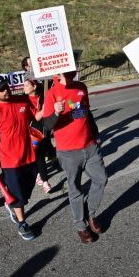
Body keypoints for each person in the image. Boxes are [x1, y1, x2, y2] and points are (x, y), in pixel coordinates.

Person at [42, 69, 107, 244]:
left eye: (73, 71)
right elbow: (46, 127)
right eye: (67, 73)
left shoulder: (81, 87)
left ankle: (90, 214)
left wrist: (95, 133)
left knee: (101, 179)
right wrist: (55, 112)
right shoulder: (51, 94)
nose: (72, 74)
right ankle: (80, 226)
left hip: (90, 146)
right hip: (68, 152)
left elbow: (87, 112)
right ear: (58, 74)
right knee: (75, 189)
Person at [0, 74, 37, 241]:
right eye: (1, 89)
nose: (6, 91)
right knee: (18, 194)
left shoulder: (21, 101)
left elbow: (37, 116)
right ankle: (22, 223)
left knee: (27, 191)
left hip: (29, 155)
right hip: (9, 161)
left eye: (6, 86)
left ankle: (13, 203)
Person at [23, 79, 52, 194]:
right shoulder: (24, 100)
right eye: (23, 85)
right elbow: (35, 117)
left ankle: (45, 181)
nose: (24, 87)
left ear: (34, 87)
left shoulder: (43, 96)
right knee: (34, 157)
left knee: (39, 155)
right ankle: (38, 173)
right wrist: (43, 111)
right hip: (28, 132)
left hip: (42, 131)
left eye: (26, 85)